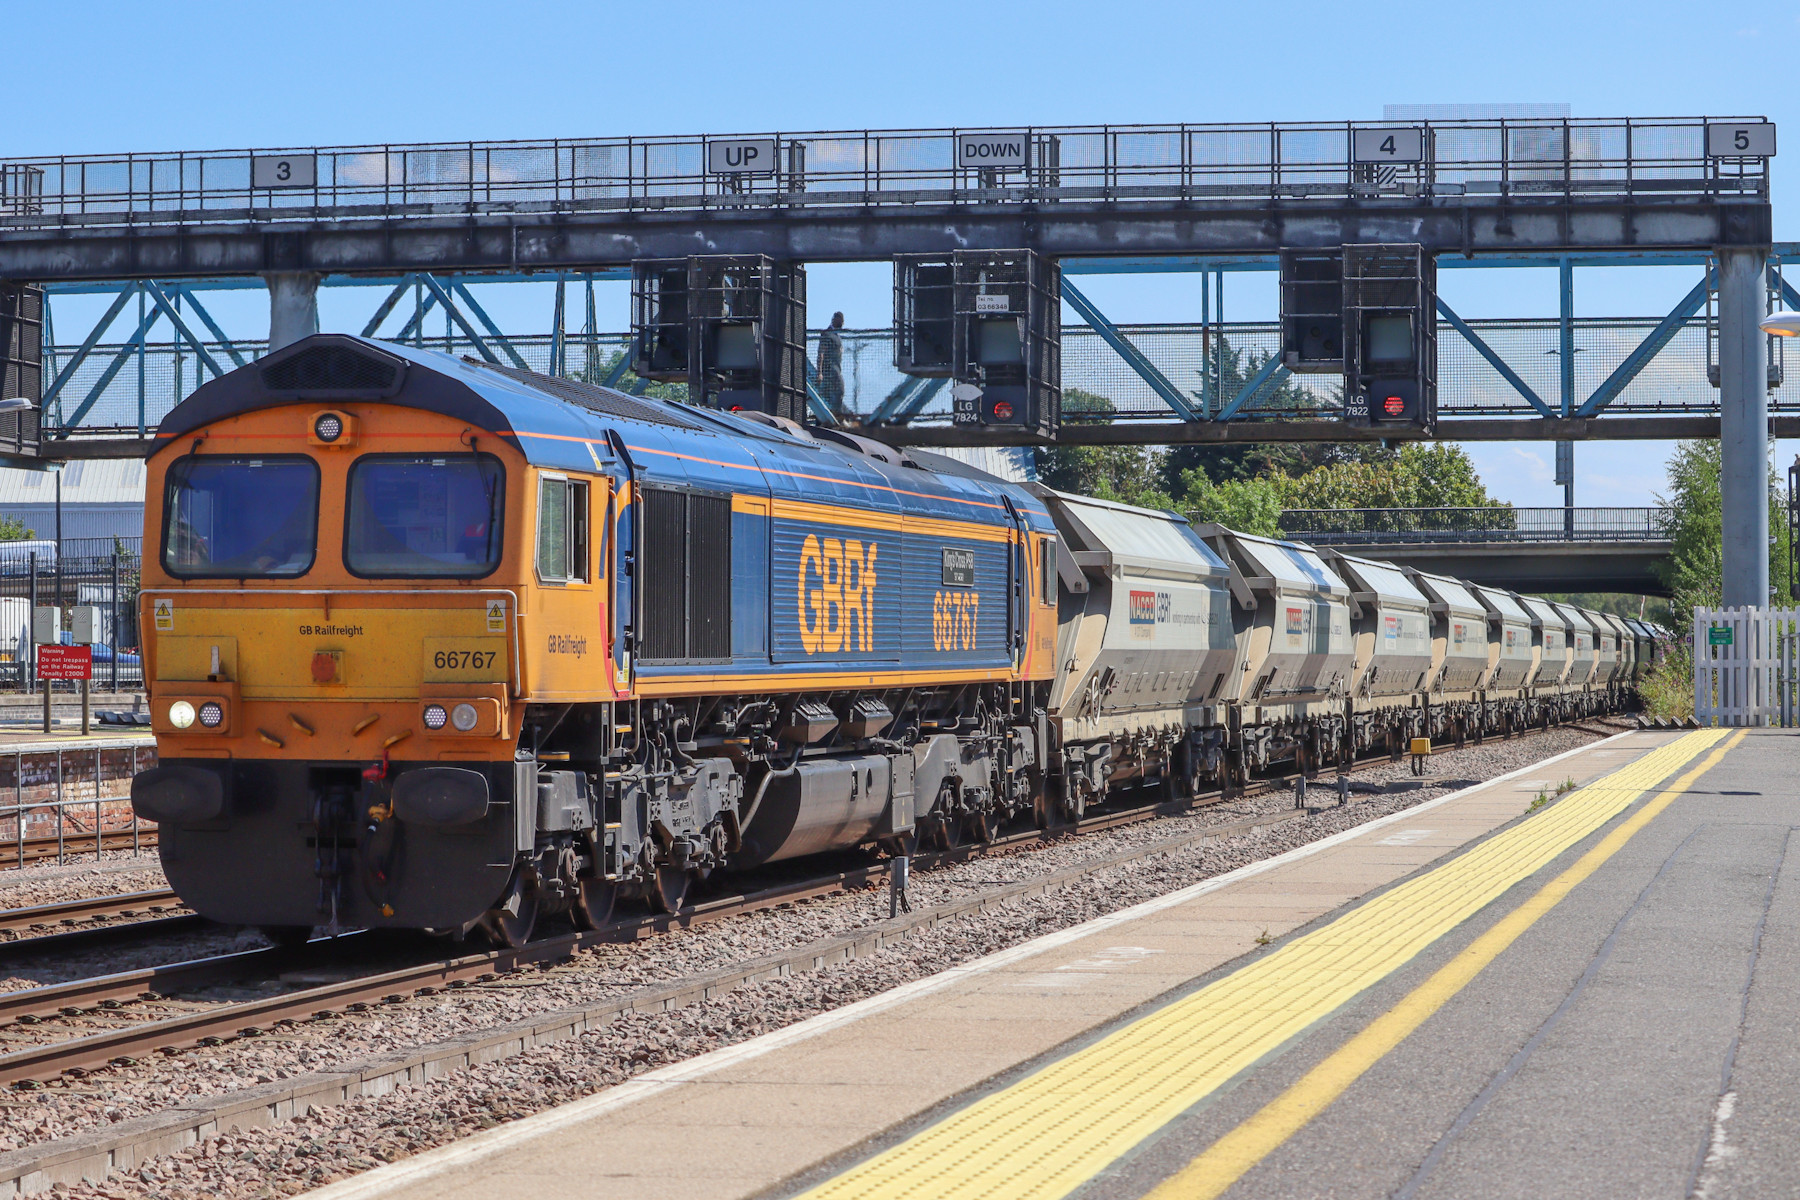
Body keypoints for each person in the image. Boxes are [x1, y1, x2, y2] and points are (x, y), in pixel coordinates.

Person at [817, 311, 846, 413]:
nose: (843, 324)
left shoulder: (837, 335)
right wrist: (819, 372)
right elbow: (821, 353)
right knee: (838, 389)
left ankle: (836, 412)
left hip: (836, 369)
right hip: (830, 369)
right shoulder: (827, 334)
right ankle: (835, 413)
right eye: (841, 321)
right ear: (835, 319)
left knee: (836, 393)